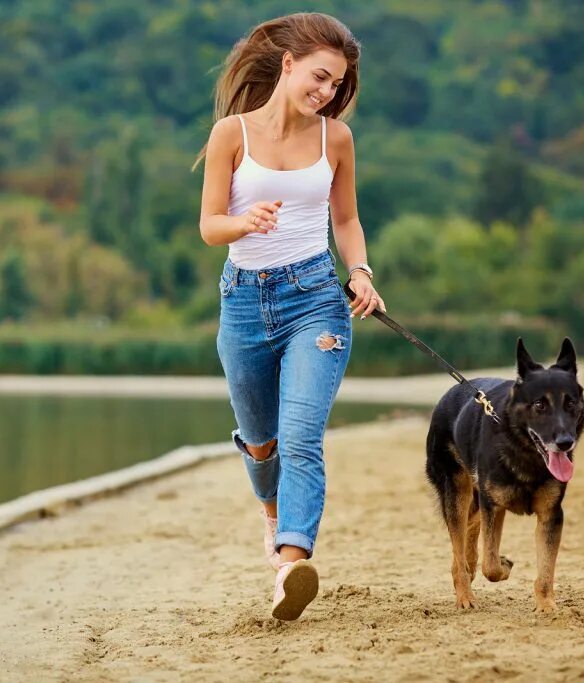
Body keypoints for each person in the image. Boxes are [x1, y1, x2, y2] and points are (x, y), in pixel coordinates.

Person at [196, 13, 385, 621]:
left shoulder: (337, 140)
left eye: (337, 84)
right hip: (243, 302)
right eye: (320, 77)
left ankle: (291, 564)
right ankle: (274, 515)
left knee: (302, 436)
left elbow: (346, 220)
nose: (327, 91)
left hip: (316, 300)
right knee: (261, 443)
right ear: (288, 64)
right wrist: (243, 222)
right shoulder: (231, 134)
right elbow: (209, 226)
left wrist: (361, 273)